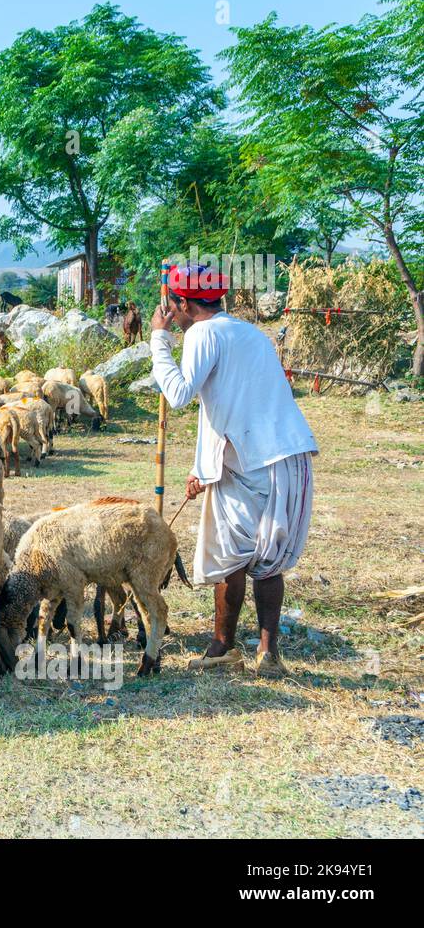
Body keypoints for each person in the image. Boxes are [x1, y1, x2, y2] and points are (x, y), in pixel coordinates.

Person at [150, 264, 317, 677]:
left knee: (230, 558)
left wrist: (158, 339)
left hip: (250, 461)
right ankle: (268, 652)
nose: (171, 310)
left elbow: (179, 393)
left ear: (183, 304)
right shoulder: (250, 333)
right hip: (288, 455)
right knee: (269, 560)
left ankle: (222, 647)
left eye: (173, 304)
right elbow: (228, 404)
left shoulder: (203, 334)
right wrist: (201, 467)